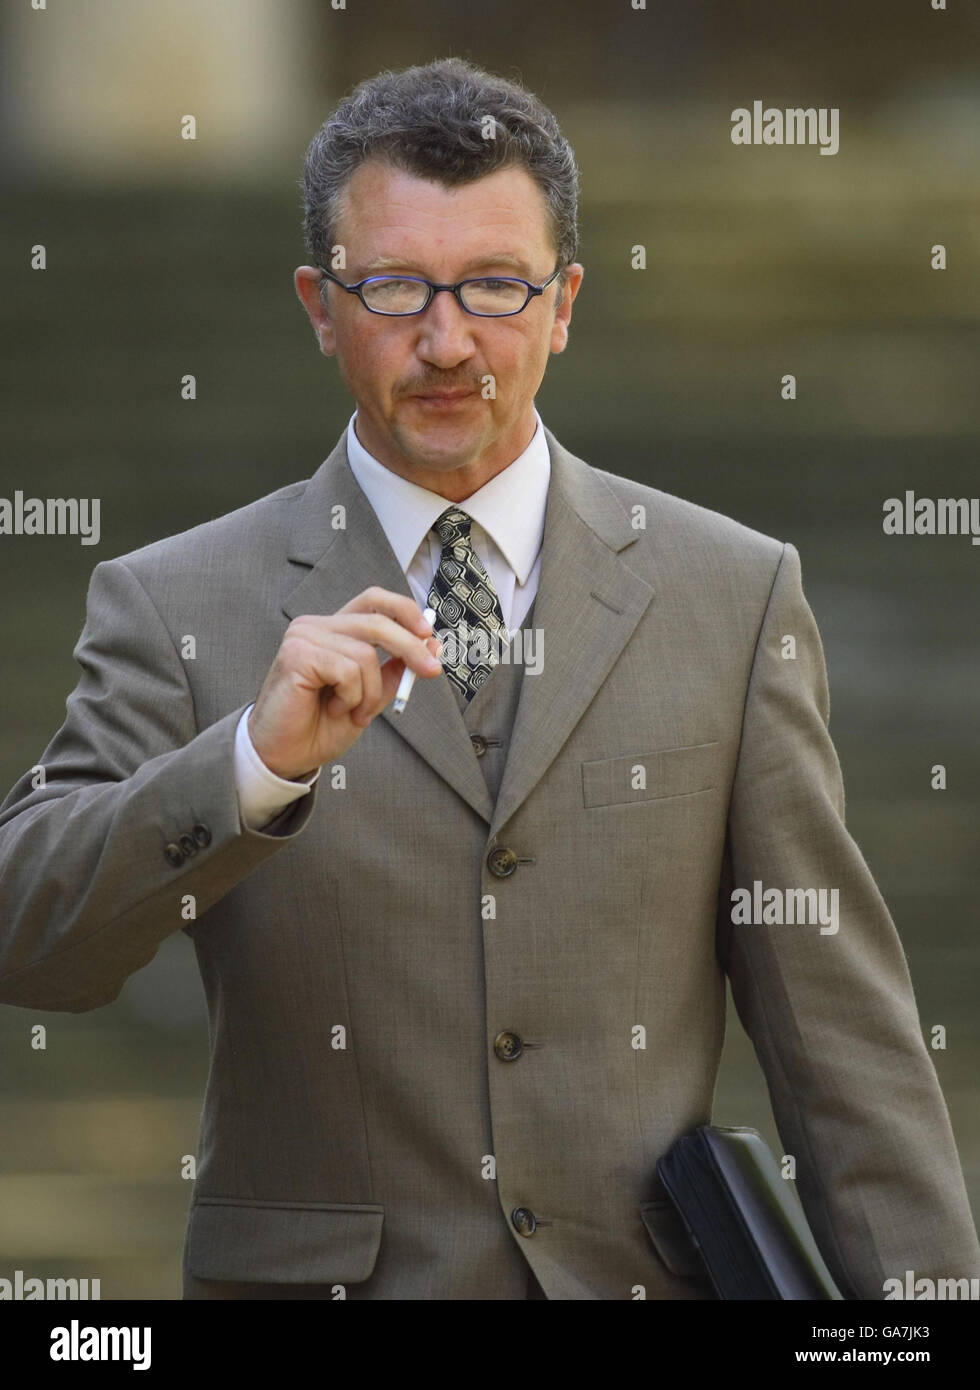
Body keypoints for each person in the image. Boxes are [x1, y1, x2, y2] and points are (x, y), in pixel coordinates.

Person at [0, 56, 977, 1302]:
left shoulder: (731, 597)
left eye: (495, 286)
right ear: (319, 305)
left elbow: (841, 1045)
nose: (446, 340)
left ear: (562, 302)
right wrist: (251, 766)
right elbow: (31, 940)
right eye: (393, 287)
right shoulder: (173, 600)